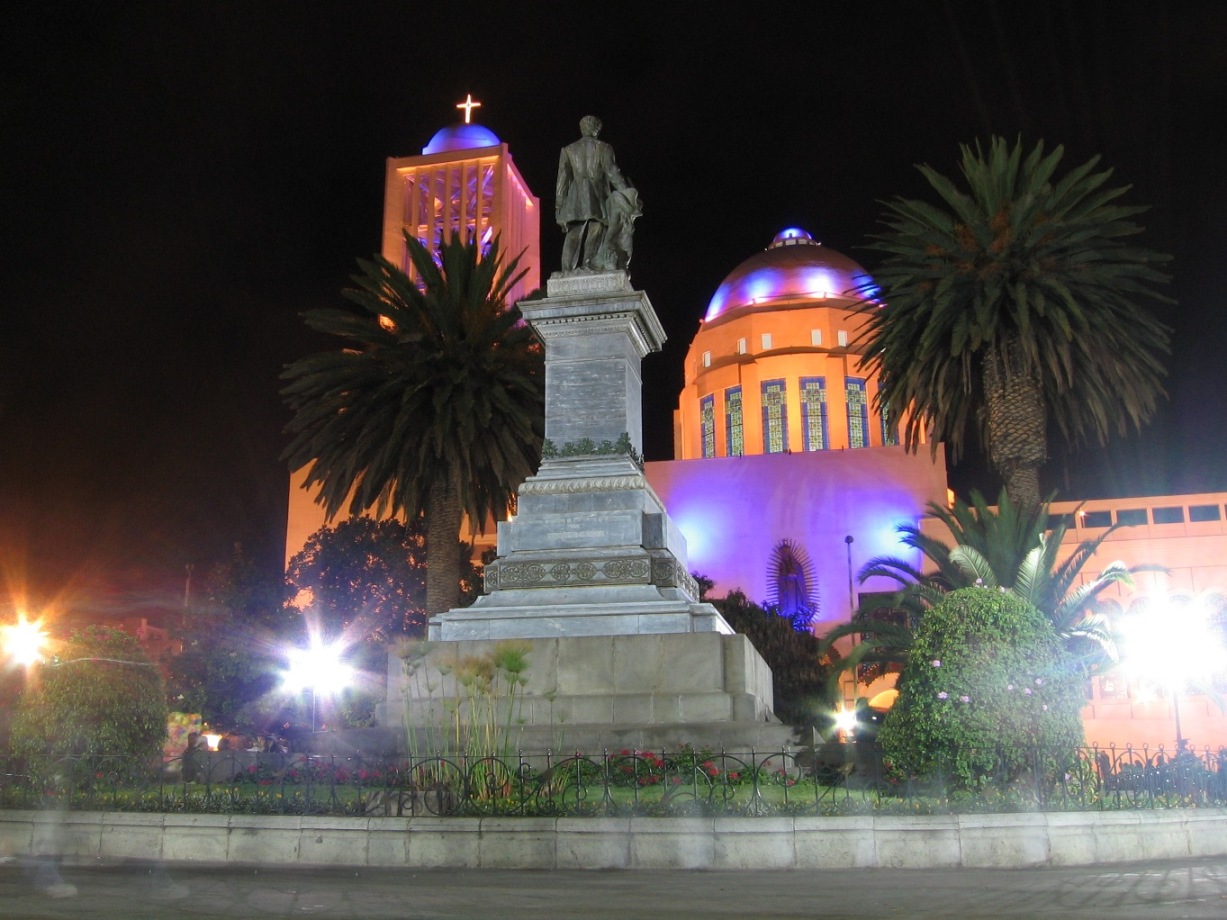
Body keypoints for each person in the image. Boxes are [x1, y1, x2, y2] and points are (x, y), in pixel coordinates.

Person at [555, 116, 638, 273]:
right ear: (597, 130)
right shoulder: (603, 148)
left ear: (582, 128)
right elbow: (613, 173)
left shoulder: (568, 150)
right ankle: (588, 265)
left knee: (574, 232)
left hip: (575, 198)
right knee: (596, 229)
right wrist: (626, 193)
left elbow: (562, 179)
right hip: (597, 196)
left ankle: (567, 270)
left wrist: (559, 204)